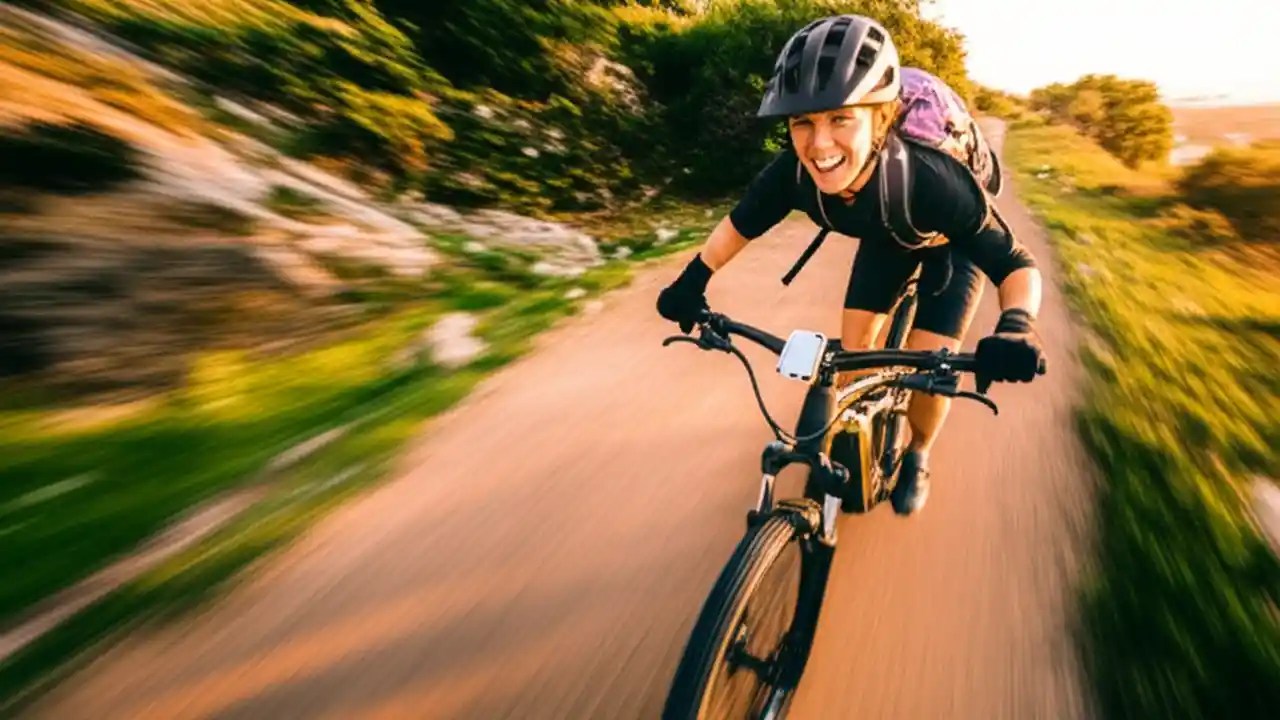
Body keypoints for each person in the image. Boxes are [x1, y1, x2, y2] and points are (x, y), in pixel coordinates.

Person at [655, 14, 1047, 516]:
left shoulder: (931, 179)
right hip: (887, 235)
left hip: (951, 242)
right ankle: (853, 439)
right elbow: (739, 227)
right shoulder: (791, 175)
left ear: (880, 119)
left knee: (932, 368)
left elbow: (1015, 263)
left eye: (841, 119)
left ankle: (919, 454)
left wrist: (1017, 326)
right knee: (853, 358)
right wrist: (693, 281)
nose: (819, 146)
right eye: (803, 122)